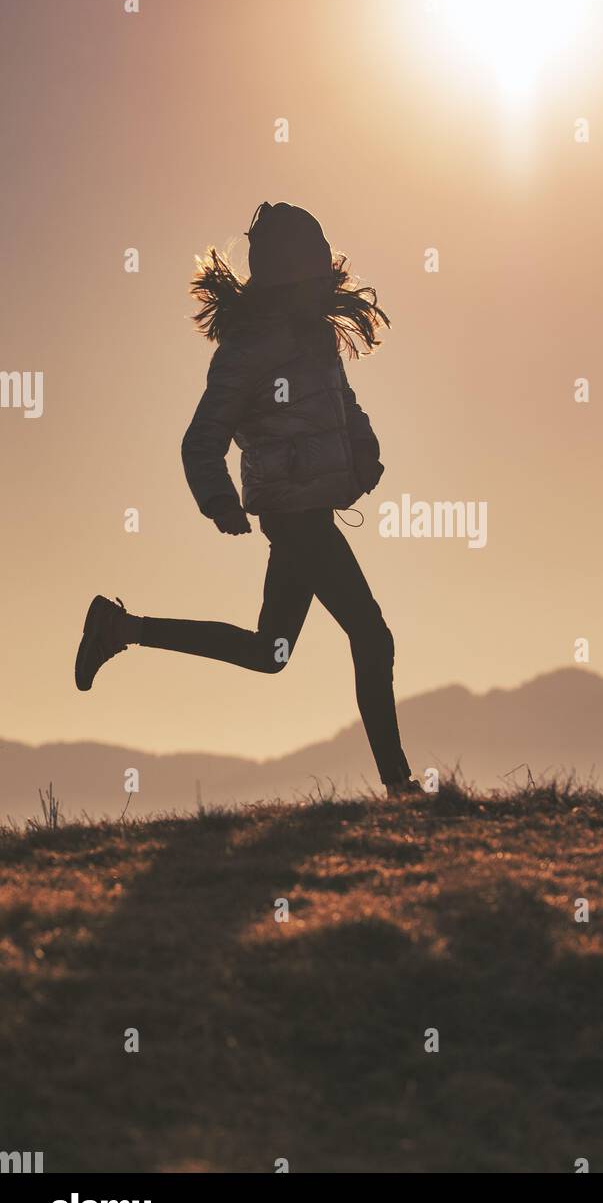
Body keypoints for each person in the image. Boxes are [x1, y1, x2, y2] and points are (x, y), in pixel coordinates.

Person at [75, 201, 420, 798]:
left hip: (309, 511)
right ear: (293, 278)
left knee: (270, 653)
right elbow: (200, 439)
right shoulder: (249, 350)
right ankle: (399, 787)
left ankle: (120, 626)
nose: (322, 284)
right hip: (294, 518)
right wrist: (220, 502)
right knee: (372, 635)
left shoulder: (313, 339)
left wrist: (365, 454)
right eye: (312, 274)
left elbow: (344, 405)